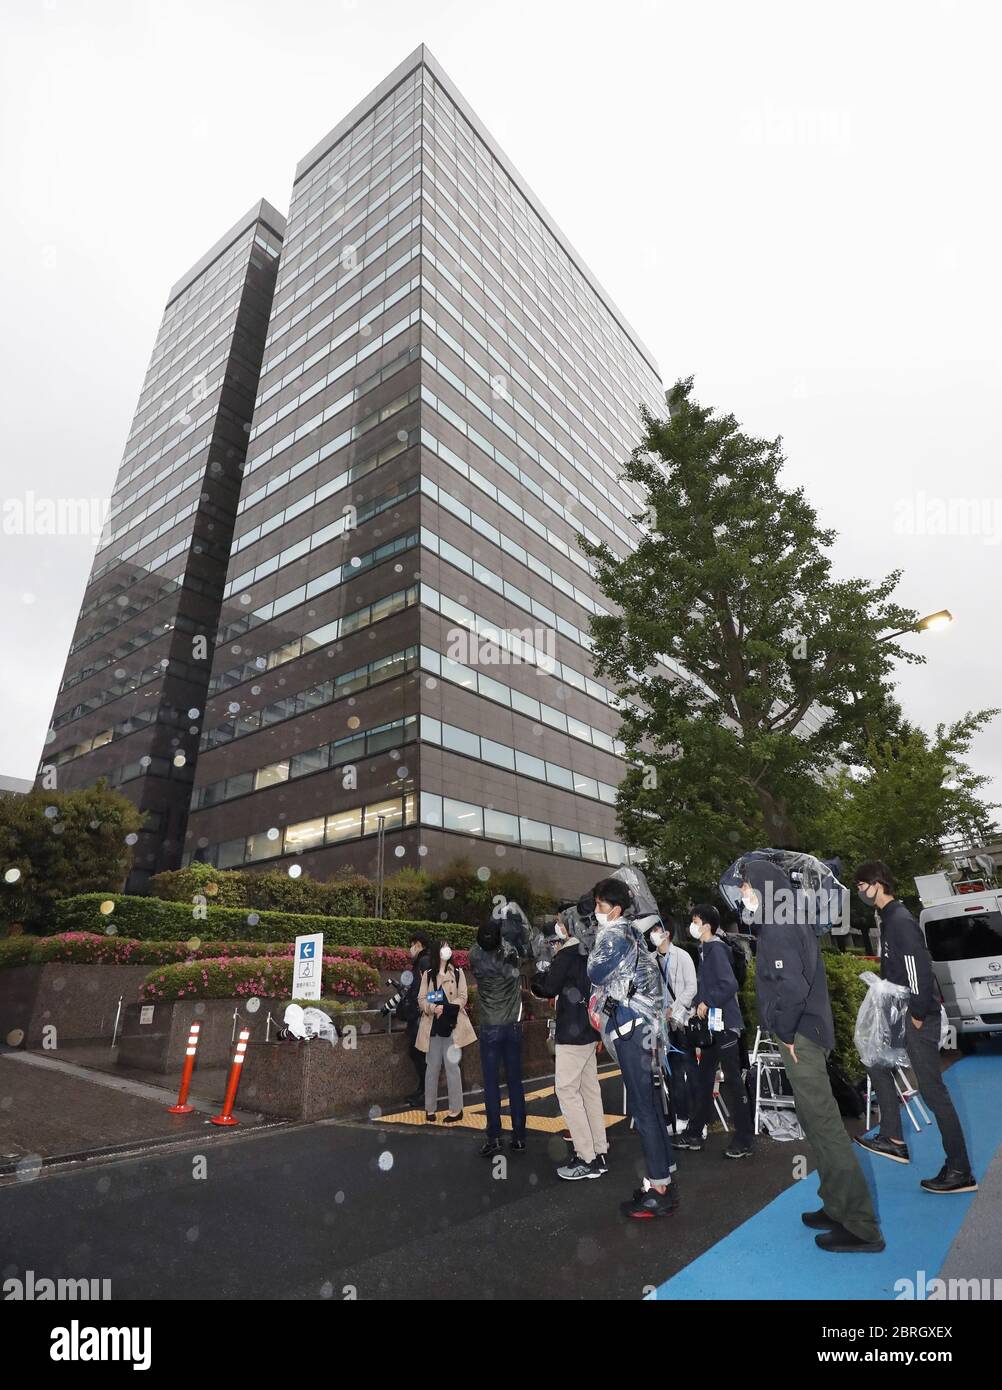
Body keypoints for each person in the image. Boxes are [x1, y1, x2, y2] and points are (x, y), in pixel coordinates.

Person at [742, 859, 885, 1253]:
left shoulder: (779, 924)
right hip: (802, 1032)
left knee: (824, 1125)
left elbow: (790, 986)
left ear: (763, 888)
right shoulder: (785, 917)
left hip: (799, 1035)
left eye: (746, 885)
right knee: (813, 1119)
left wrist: (785, 1032)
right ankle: (836, 1206)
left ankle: (860, 1225)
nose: (743, 893)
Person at [854, 860, 977, 1194]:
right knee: (874, 1060)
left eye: (861, 885)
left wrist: (919, 1012)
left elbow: (917, 967)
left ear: (877, 884)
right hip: (900, 1012)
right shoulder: (888, 919)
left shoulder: (899, 920)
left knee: (933, 1092)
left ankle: (959, 1170)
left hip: (915, 1015)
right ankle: (893, 1136)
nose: (860, 892)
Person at [587, 877, 677, 1219]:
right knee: (651, 1104)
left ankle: (658, 1189)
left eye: (601, 905)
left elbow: (594, 970)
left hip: (631, 1030)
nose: (596, 911)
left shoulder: (615, 936)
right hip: (645, 1030)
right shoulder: (633, 935)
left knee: (643, 1108)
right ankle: (664, 1177)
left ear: (617, 909)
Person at [531, 911, 609, 1180]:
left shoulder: (567, 953)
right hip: (589, 1028)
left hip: (571, 1032)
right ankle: (599, 1151)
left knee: (566, 1091)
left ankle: (585, 1156)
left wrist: (538, 975)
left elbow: (549, 987)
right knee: (589, 1091)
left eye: (562, 924)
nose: (559, 929)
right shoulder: (591, 949)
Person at [673, 905, 754, 1158]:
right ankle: (696, 1133)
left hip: (725, 1025)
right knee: (704, 1077)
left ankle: (744, 1140)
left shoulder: (716, 949)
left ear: (706, 925)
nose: (692, 925)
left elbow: (728, 984)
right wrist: (697, 1003)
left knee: (731, 1081)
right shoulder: (706, 949)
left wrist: (707, 1002)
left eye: (695, 920)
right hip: (714, 1025)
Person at [468, 902, 536, 1158]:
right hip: (512, 1027)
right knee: (515, 1083)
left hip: (489, 1027)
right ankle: (519, 1137)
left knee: (491, 1084)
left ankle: (494, 1137)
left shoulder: (475, 956)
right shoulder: (511, 955)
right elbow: (525, 945)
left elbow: (487, 939)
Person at [417, 940, 476, 1123]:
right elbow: (421, 998)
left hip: (452, 1026)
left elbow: (463, 996)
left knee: (452, 1068)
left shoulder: (457, 973)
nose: (447, 949)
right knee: (432, 1068)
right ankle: (430, 1108)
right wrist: (433, 1007)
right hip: (433, 1027)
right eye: (443, 946)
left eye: (448, 946)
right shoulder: (428, 974)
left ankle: (456, 1109)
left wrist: (448, 1007)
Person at [650, 918, 697, 1131]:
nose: (653, 935)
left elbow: (692, 988)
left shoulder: (683, 956)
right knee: (667, 1072)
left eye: (656, 930)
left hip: (682, 1022)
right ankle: (674, 1115)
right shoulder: (650, 961)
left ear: (667, 933)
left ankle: (689, 1117)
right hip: (662, 1025)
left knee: (684, 1071)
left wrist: (674, 1009)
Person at [396, 932, 431, 1106]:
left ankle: (426, 1092)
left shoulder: (424, 962)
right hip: (418, 1017)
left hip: (422, 1018)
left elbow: (429, 988)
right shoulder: (421, 962)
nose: (411, 948)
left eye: (412, 944)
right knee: (417, 1054)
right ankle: (423, 1090)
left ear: (419, 944)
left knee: (420, 1055)